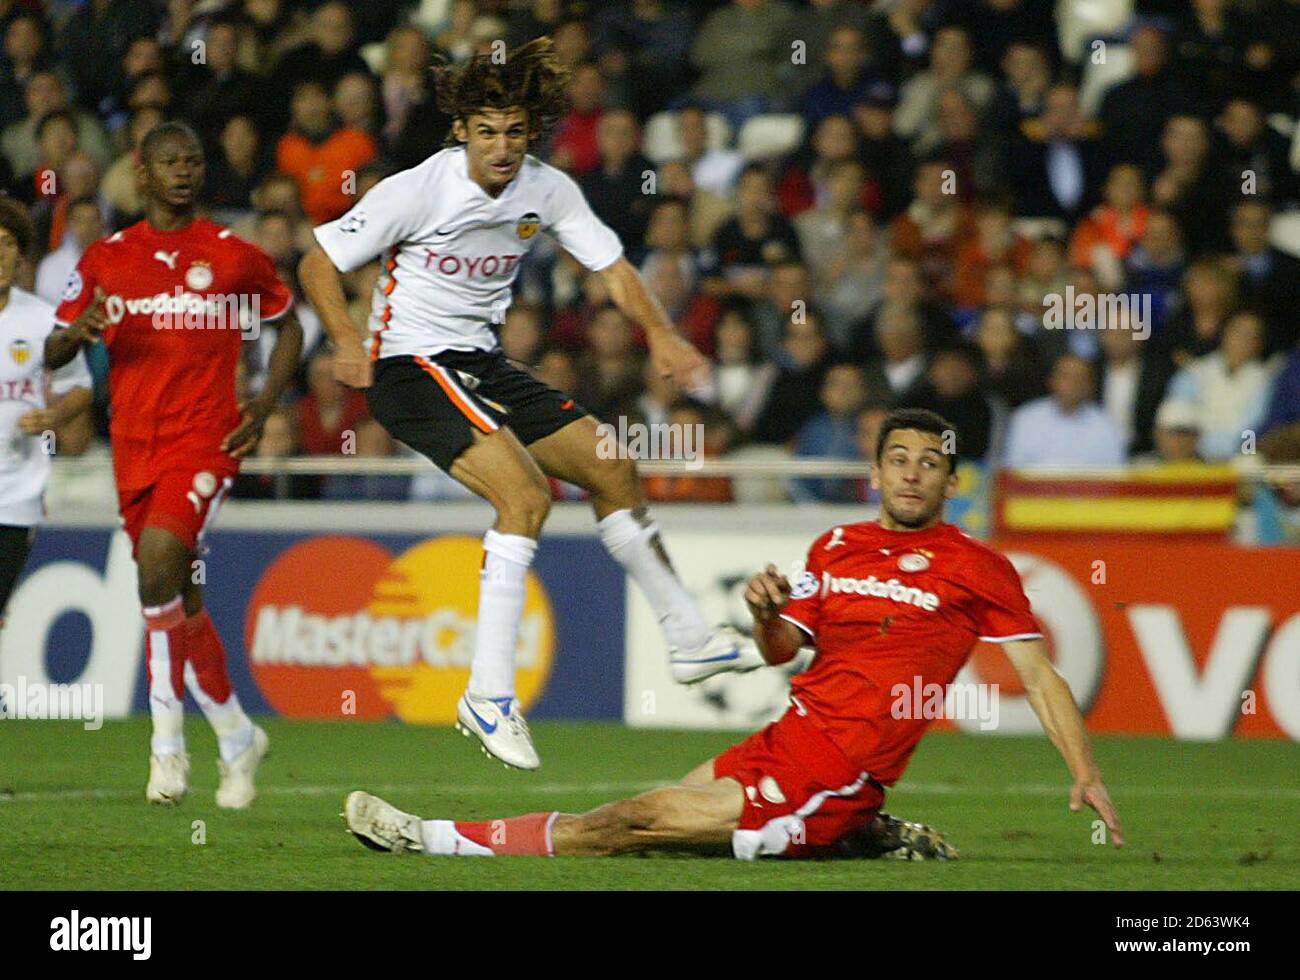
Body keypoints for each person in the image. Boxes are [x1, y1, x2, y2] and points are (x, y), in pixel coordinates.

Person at [343, 408, 1123, 861]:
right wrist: (761, 615)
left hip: (831, 769)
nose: (913, 474)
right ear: (876, 475)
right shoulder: (835, 547)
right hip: (783, 738)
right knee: (672, 821)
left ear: (953, 482)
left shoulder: (977, 568)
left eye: (930, 463)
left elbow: (1040, 675)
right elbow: (780, 653)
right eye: (898, 460)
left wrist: (1083, 768)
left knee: (628, 824)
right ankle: (856, 837)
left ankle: (426, 837)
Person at [298, 38, 762, 774]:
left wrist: (662, 333)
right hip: (408, 366)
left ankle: (689, 638)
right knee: (525, 495)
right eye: (487, 131)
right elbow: (317, 260)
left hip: (478, 362)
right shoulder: (418, 188)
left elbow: (610, 268)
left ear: (531, 132)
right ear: (461, 132)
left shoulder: (547, 189)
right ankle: (487, 695)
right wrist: (346, 335)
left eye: (515, 131)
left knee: (612, 468)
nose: (503, 146)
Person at [44, 121, 304, 809]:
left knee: (159, 559)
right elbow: (50, 351)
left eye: (192, 160)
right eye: (168, 162)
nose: (183, 171)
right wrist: (76, 331)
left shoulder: (231, 255)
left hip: (206, 441)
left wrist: (267, 403)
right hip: (133, 447)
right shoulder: (107, 257)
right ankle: (237, 733)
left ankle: (166, 747)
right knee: (177, 592)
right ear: (143, 170)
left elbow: (289, 324)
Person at [0, 198, 92, 626]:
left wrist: (54, 418)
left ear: (20, 254)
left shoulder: (41, 320)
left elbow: (80, 385)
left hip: (17, 492)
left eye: (6, 244)